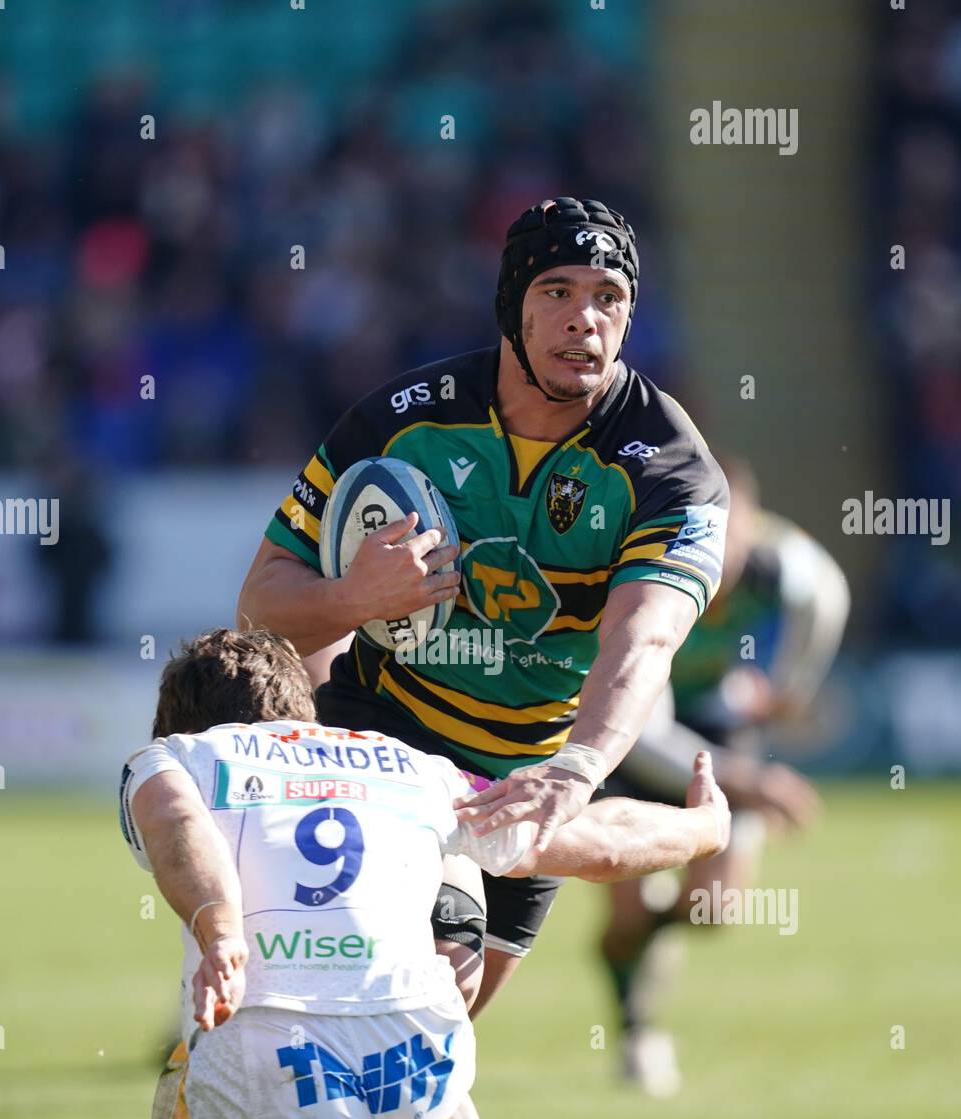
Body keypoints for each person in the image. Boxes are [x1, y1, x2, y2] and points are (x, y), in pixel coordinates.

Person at [75, 627, 730, 1119]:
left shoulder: (176, 757)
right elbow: (597, 845)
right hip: (417, 1052)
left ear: (181, 721)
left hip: (277, 1051)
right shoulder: (414, 766)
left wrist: (220, 930)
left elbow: (179, 822)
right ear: (306, 711)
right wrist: (705, 828)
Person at [237, 196, 730, 1019]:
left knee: (437, 1044)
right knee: (428, 975)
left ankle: (248, 1095)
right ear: (511, 305)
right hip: (382, 738)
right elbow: (260, 607)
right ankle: (241, 1086)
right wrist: (354, 596)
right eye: (558, 293)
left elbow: (644, 639)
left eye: (609, 297)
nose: (584, 320)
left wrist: (577, 768)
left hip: (531, 776)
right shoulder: (401, 423)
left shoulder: (672, 466)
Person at [598, 460, 850, 1096]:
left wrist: (788, 690)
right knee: (628, 900)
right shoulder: (648, 565)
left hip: (715, 718)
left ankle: (643, 941)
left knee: (716, 908)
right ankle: (638, 1029)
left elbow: (826, 601)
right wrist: (755, 782)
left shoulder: (790, 572)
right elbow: (645, 738)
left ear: (753, 530)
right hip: (636, 716)